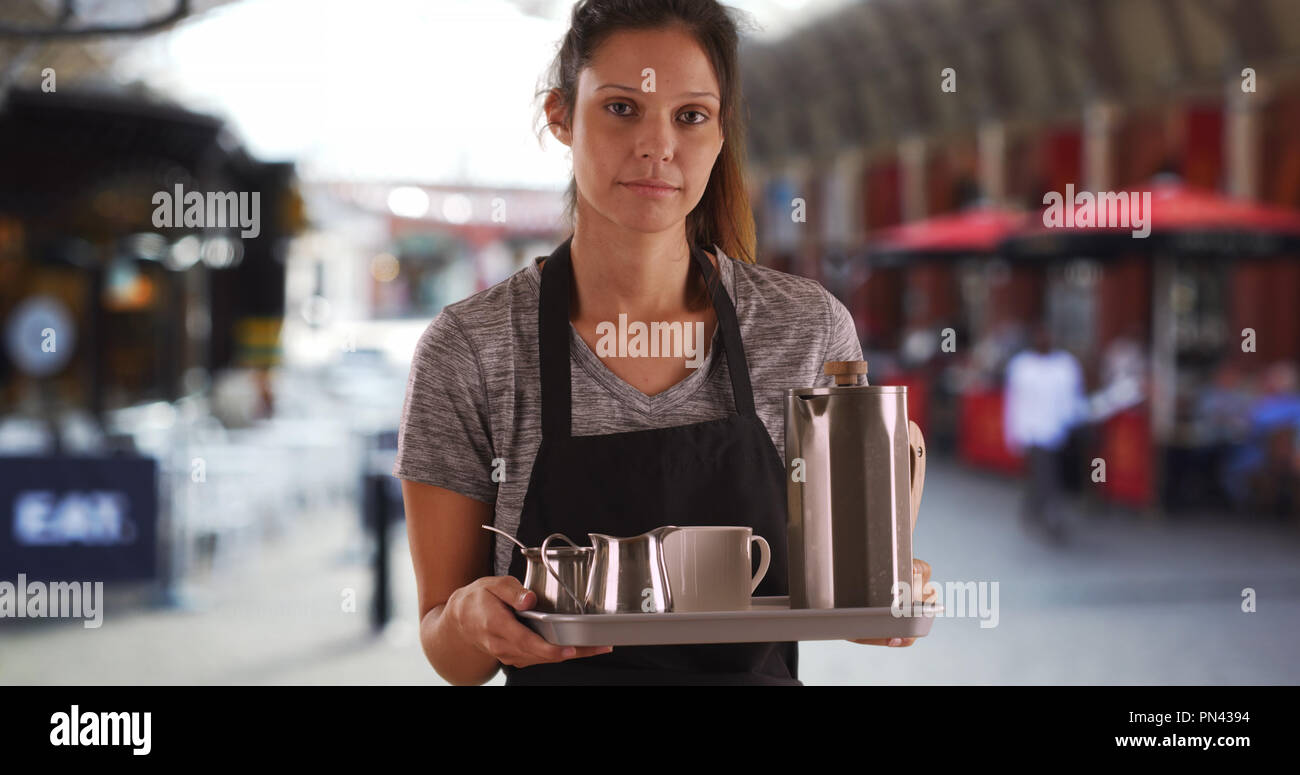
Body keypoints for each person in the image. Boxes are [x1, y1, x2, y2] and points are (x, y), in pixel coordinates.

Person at [392, 0, 936, 686]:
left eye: (690, 115)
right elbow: (450, 652)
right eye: (622, 108)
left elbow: (851, 601)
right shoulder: (470, 350)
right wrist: (470, 616)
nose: (657, 146)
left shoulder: (805, 330)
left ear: (720, 132)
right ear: (560, 115)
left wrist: (887, 590)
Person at [1003, 321, 1087, 543]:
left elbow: (1073, 397)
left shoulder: (1065, 365)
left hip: (1060, 429)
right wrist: (1013, 432)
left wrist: (1074, 419)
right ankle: (1052, 517)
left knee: (1041, 474)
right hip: (1033, 430)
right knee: (1045, 472)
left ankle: (1031, 508)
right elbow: (1014, 401)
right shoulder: (1022, 366)